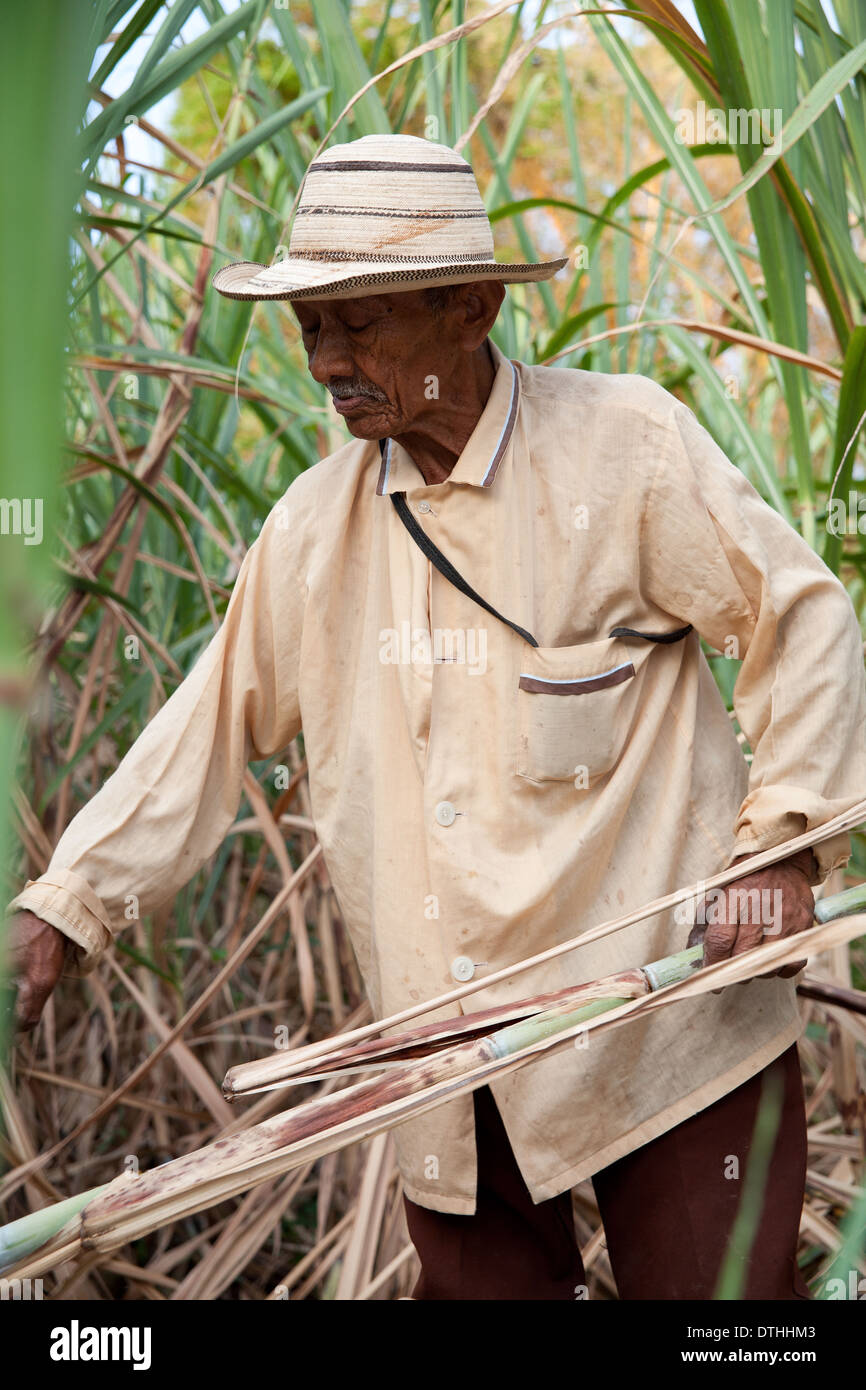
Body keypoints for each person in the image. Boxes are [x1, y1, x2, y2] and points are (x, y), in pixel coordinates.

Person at [7, 134, 865, 1300]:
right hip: (443, 1063)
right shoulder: (312, 533)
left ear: (467, 310)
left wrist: (785, 848)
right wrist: (66, 904)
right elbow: (202, 733)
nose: (328, 362)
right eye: (311, 328)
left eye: (359, 325)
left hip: (665, 1031)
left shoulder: (624, 449)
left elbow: (798, 618)